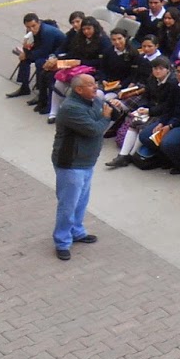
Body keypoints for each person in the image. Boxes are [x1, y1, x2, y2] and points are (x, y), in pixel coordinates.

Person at [51, 73, 123, 260]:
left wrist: (114, 110)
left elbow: (107, 115)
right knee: (68, 203)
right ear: (78, 89)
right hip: (71, 162)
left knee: (81, 200)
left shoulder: (94, 100)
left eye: (95, 83)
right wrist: (106, 118)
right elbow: (94, 129)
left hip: (87, 160)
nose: (95, 87)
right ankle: (62, 241)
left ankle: (77, 231)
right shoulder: (70, 108)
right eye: (90, 85)